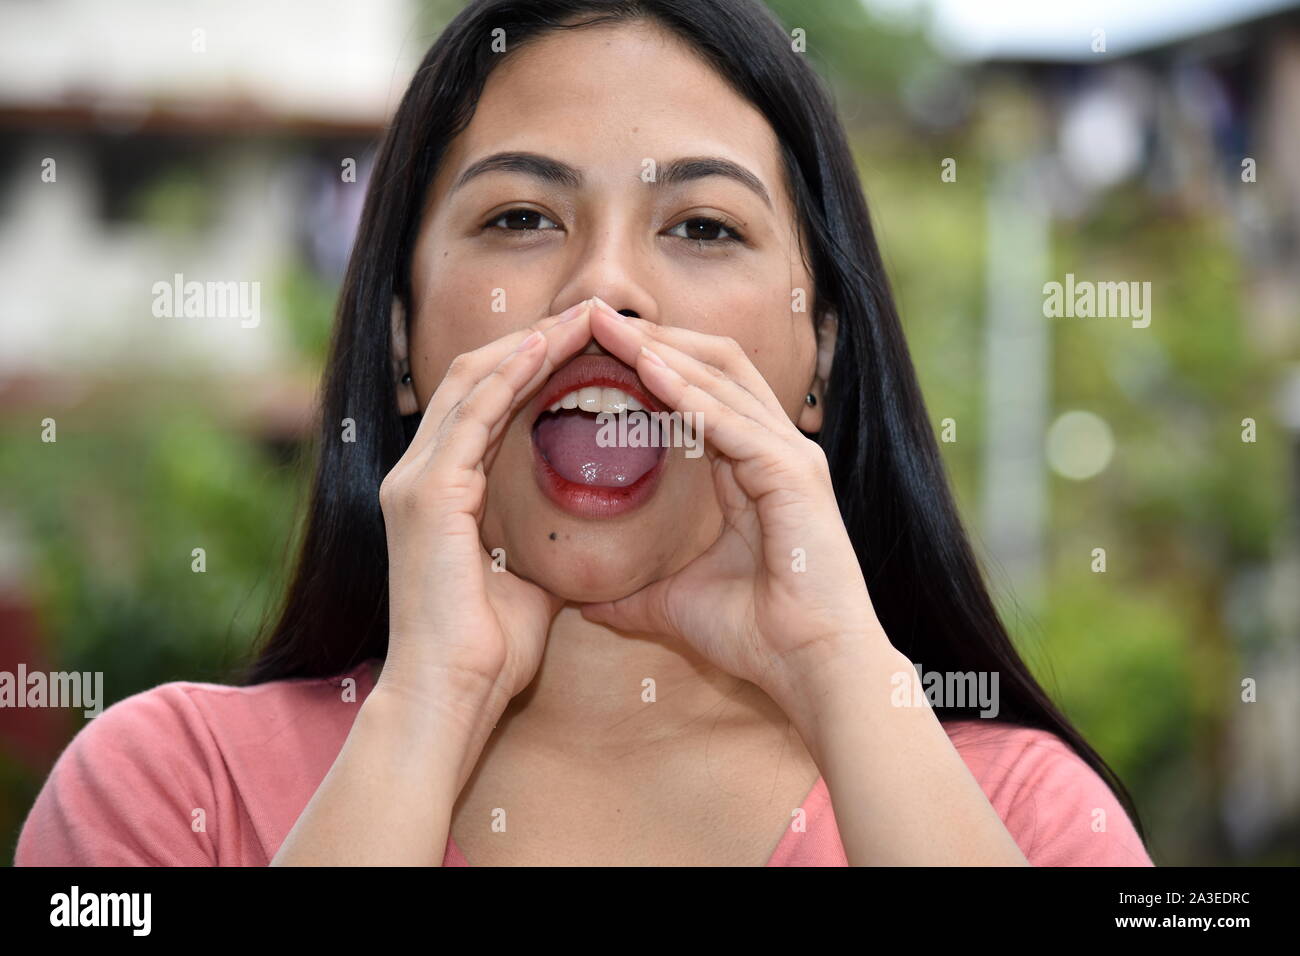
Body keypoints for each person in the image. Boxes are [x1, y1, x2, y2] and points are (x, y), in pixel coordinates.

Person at [15, 0, 1153, 867]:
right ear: (402, 336)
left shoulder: (1026, 819)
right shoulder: (164, 790)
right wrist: (428, 705)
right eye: (520, 217)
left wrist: (840, 669)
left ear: (823, 360)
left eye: (704, 226)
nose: (603, 289)